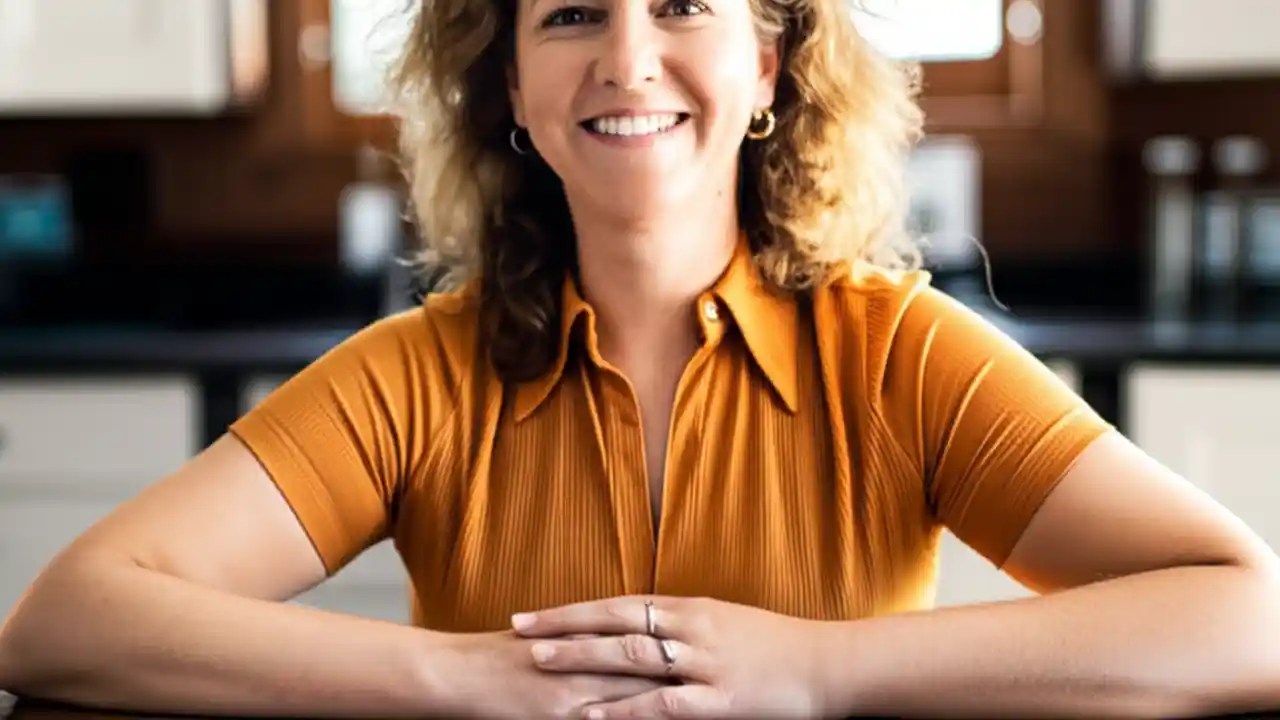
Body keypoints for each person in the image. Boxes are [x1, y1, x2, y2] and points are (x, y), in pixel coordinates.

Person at [3, 0, 1280, 715]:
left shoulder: (896, 359)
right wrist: (467, 682)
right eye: (570, 14)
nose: (625, 58)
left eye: (678, 6)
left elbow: (1248, 614)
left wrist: (814, 671)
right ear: (507, 84)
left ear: (765, 62)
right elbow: (62, 619)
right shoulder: (417, 375)